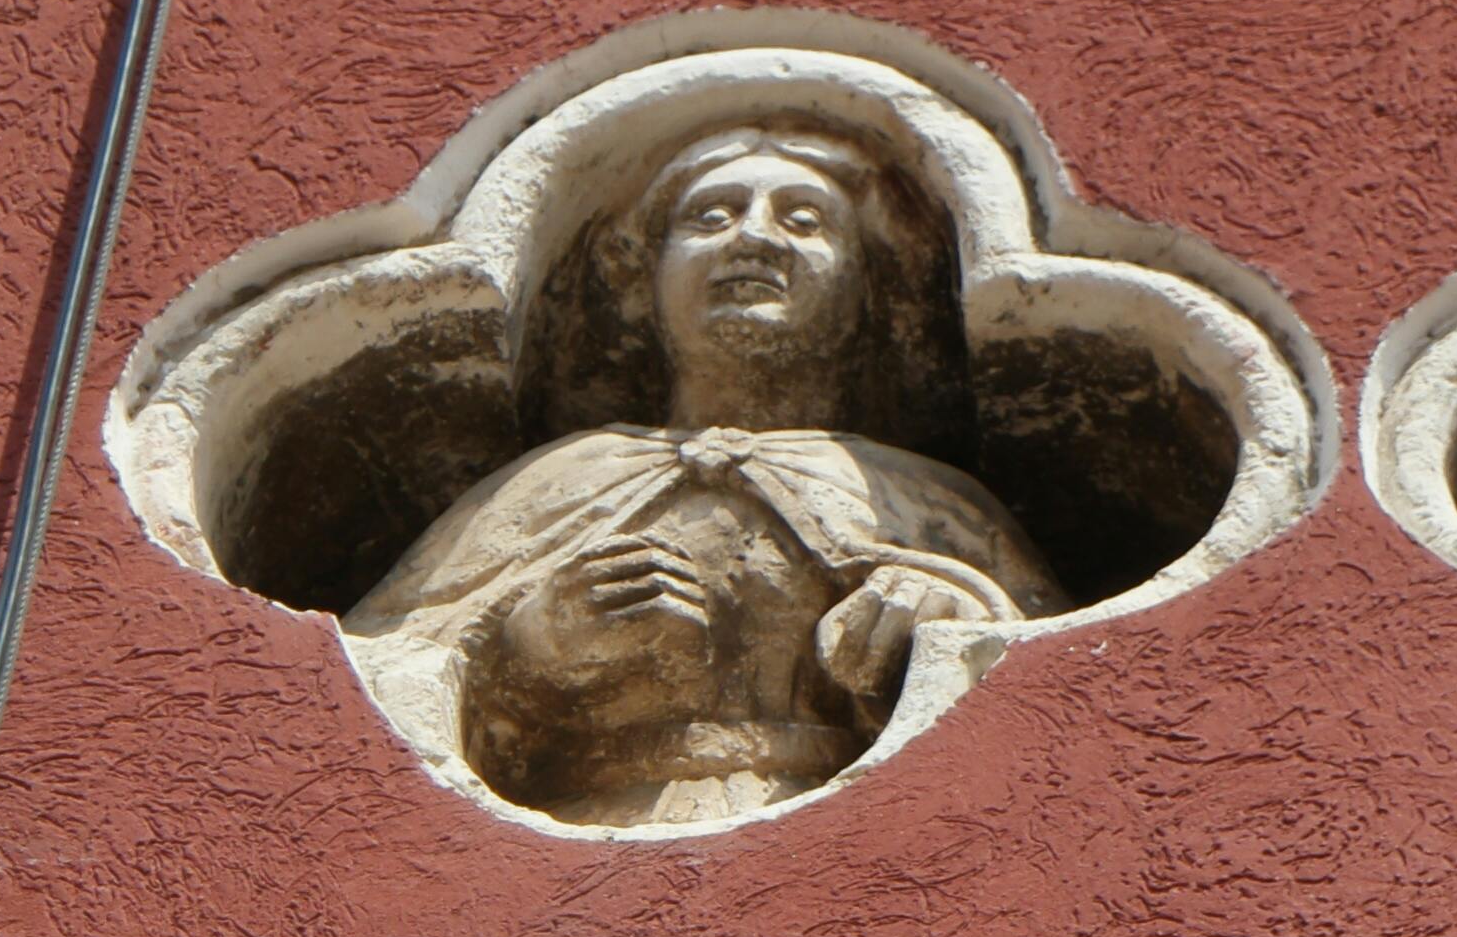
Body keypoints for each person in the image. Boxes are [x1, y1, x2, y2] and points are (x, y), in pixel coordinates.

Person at [350, 124, 1051, 827]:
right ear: (648, 275)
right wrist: (536, 642)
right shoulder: (558, 479)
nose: (753, 238)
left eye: (804, 221)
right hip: (590, 851)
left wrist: (948, 613)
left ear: (867, 285)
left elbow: (1068, 691)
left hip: (863, 849)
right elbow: (373, 677)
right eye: (709, 216)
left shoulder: (932, 502)